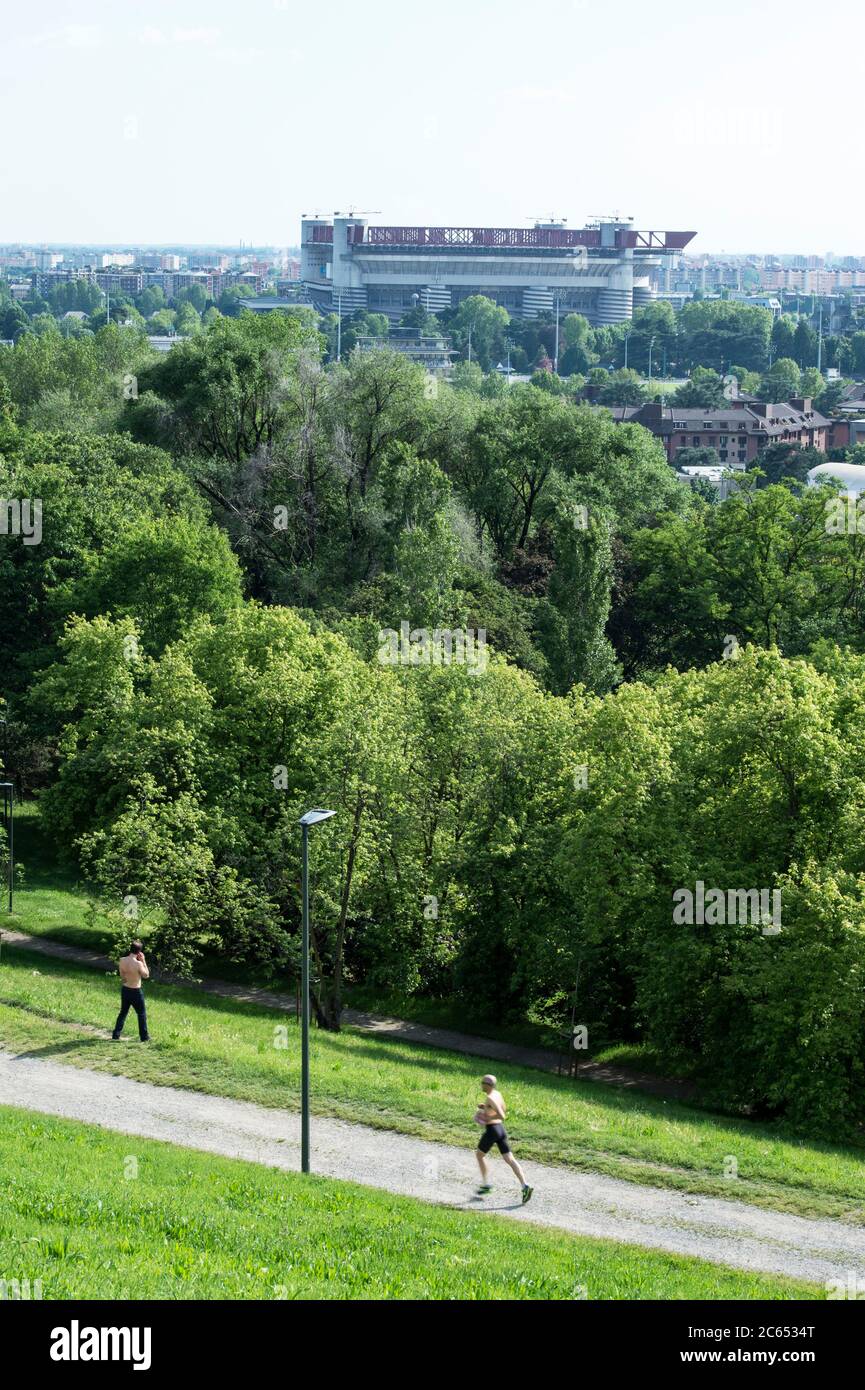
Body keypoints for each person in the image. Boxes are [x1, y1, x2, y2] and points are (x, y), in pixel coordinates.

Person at [474, 1073, 532, 1203]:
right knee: (510, 1159)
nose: (481, 1085)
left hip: (492, 1130)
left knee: (479, 1155)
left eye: (483, 1083)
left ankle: (486, 1185)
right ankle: (525, 1186)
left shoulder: (490, 1097)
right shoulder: (497, 1094)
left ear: (487, 1085)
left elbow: (501, 1115)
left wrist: (487, 1117)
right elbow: (502, 1109)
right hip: (501, 1130)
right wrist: (486, 1108)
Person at [112, 941, 151, 1042]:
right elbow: (146, 975)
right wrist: (143, 961)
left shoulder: (122, 960)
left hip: (125, 989)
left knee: (123, 1012)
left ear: (130, 949)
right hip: (136, 991)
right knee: (141, 1014)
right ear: (139, 952)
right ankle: (144, 1037)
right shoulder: (138, 964)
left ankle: (116, 1034)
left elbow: (122, 977)